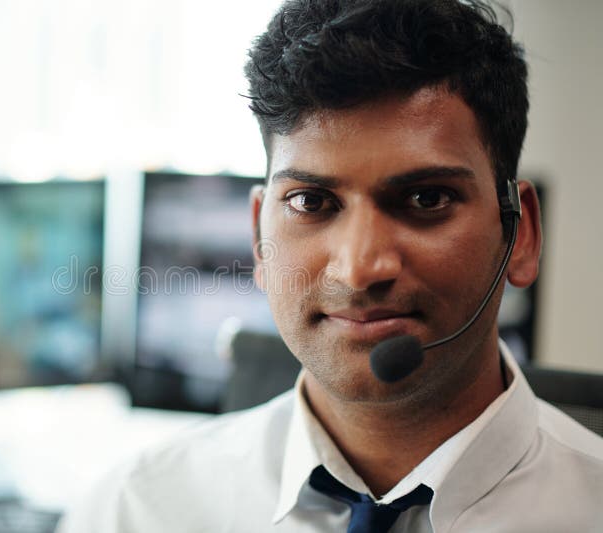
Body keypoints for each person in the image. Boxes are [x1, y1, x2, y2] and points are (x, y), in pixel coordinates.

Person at [59, 1, 603, 531]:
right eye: (311, 202)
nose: (359, 270)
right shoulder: (131, 511)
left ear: (522, 233)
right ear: (258, 238)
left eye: (427, 199)